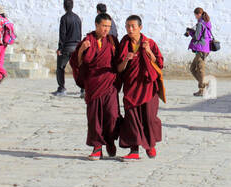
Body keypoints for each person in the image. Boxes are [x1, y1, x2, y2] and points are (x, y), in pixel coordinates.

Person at [70, 13, 119, 159]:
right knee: (94, 118)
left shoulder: (112, 41)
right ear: (96, 25)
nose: (106, 30)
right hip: (93, 85)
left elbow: (119, 60)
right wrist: (81, 50)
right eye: (104, 26)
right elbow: (77, 63)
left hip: (109, 84)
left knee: (112, 116)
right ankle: (97, 147)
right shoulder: (87, 41)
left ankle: (110, 141)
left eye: (108, 27)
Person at [115, 15, 164, 160]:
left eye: (133, 26)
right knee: (131, 118)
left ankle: (150, 145)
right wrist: (126, 60)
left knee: (149, 117)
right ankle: (134, 150)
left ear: (140, 28)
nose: (130, 29)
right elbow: (118, 68)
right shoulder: (124, 43)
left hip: (148, 87)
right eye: (127, 26)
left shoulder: (150, 43)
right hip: (131, 86)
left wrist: (148, 52)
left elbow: (159, 63)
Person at [54, 0, 82, 97]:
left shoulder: (64, 18)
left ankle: (61, 88)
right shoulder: (78, 18)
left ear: (64, 6)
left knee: (60, 67)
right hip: (77, 46)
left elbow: (62, 34)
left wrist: (60, 48)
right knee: (79, 68)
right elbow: (80, 33)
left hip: (67, 47)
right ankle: (83, 89)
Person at [186, 7, 213, 96]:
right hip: (204, 49)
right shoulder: (206, 23)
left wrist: (190, 32)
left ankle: (202, 89)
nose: (195, 17)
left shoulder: (200, 24)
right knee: (192, 68)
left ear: (198, 14)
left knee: (200, 69)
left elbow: (197, 37)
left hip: (201, 49)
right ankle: (205, 84)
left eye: (195, 15)